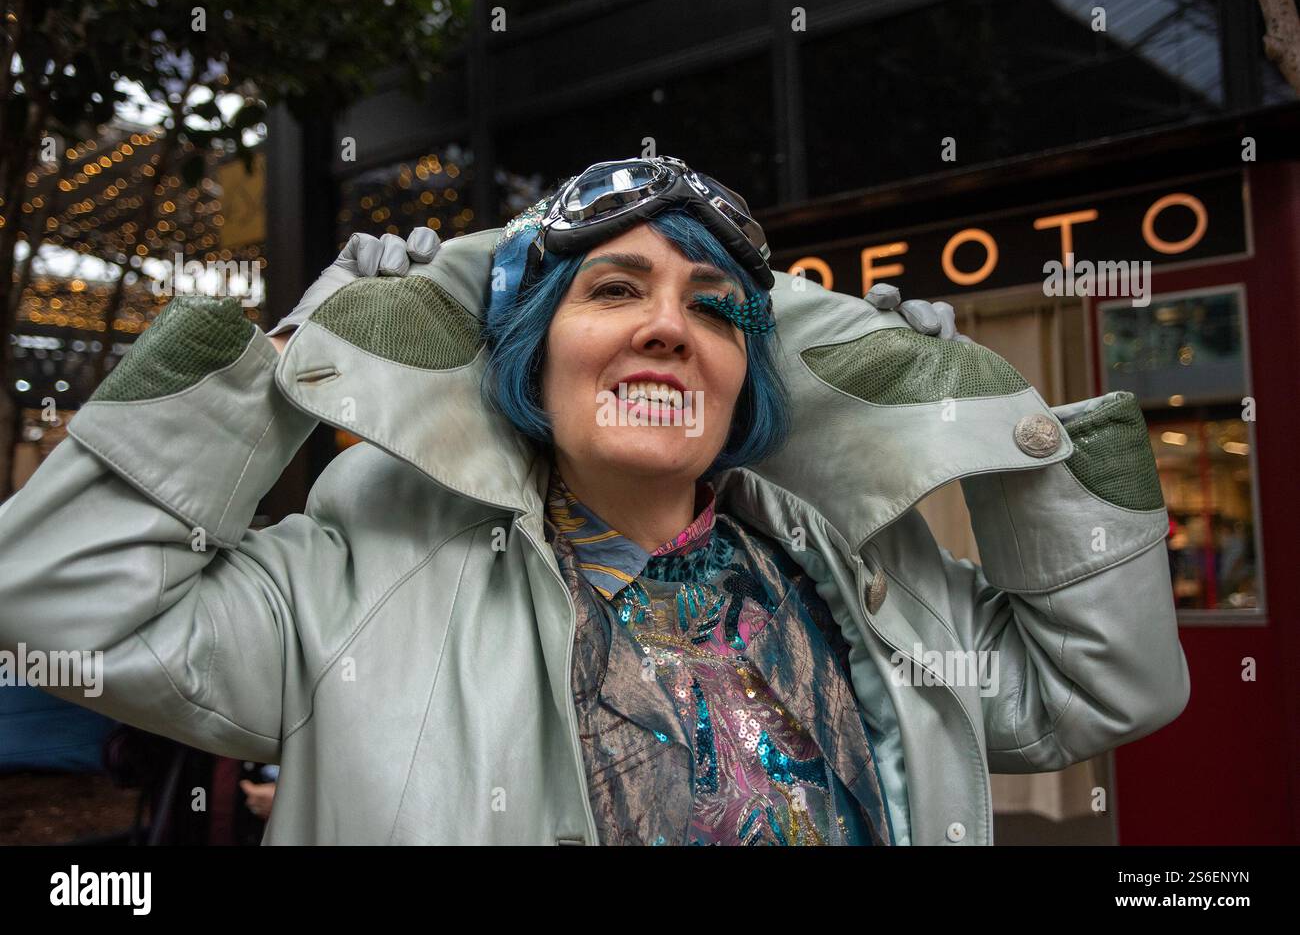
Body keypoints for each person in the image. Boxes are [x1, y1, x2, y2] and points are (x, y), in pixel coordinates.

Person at [0, 155, 1189, 845]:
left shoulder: (872, 582)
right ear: (528, 354)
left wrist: (1000, 430)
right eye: (613, 288)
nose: (669, 325)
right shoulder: (356, 581)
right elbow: (62, 609)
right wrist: (288, 364)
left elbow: (1102, 683)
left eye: (716, 306)